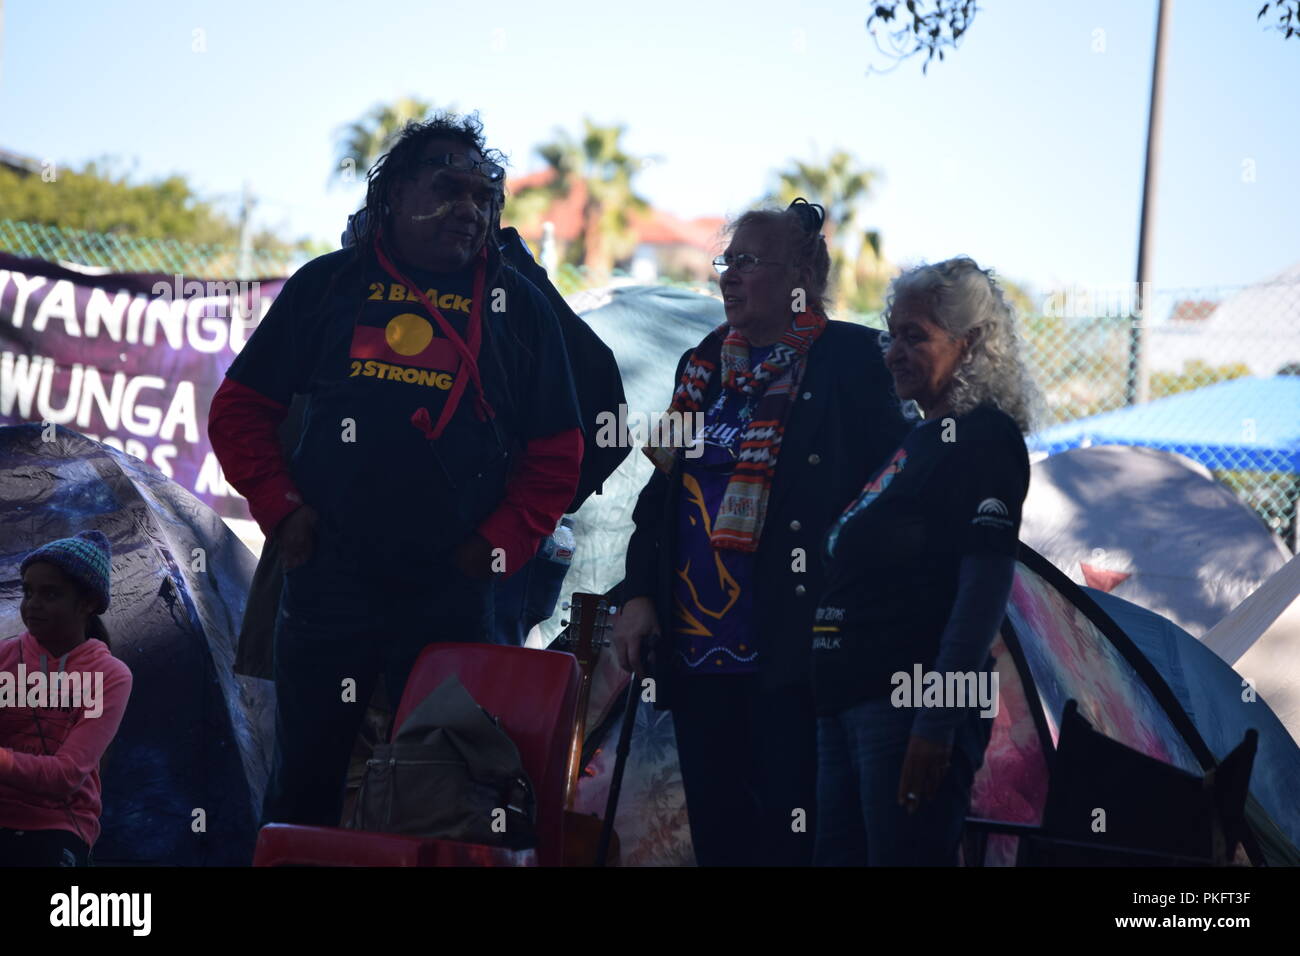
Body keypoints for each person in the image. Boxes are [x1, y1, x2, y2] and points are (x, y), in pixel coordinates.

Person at [208, 111, 585, 828]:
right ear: (394, 195)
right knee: (304, 790)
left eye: (483, 195)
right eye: (450, 188)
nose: (470, 209)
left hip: (453, 590)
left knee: (444, 787)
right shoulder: (328, 286)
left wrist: (494, 550)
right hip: (330, 578)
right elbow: (239, 412)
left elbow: (557, 451)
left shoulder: (520, 307)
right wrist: (284, 511)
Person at [612, 199, 910, 866]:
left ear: (802, 273)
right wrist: (637, 593)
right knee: (720, 839)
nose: (728, 276)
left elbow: (897, 496)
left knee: (791, 839)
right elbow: (661, 498)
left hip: (793, 659)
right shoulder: (704, 365)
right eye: (727, 260)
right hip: (697, 658)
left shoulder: (853, 360)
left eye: (747, 262)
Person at [811, 256, 1037, 866]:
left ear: (969, 345)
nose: (893, 352)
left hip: (904, 711)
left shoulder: (986, 438)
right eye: (892, 334)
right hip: (849, 704)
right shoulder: (920, 439)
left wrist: (936, 724)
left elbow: (983, 590)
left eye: (916, 335)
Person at [0, 530, 133, 867]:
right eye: (28, 591)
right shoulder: (4, 656)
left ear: (87, 603)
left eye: (50, 594)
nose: (32, 604)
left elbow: (65, 776)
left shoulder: (110, 675)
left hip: (57, 826)